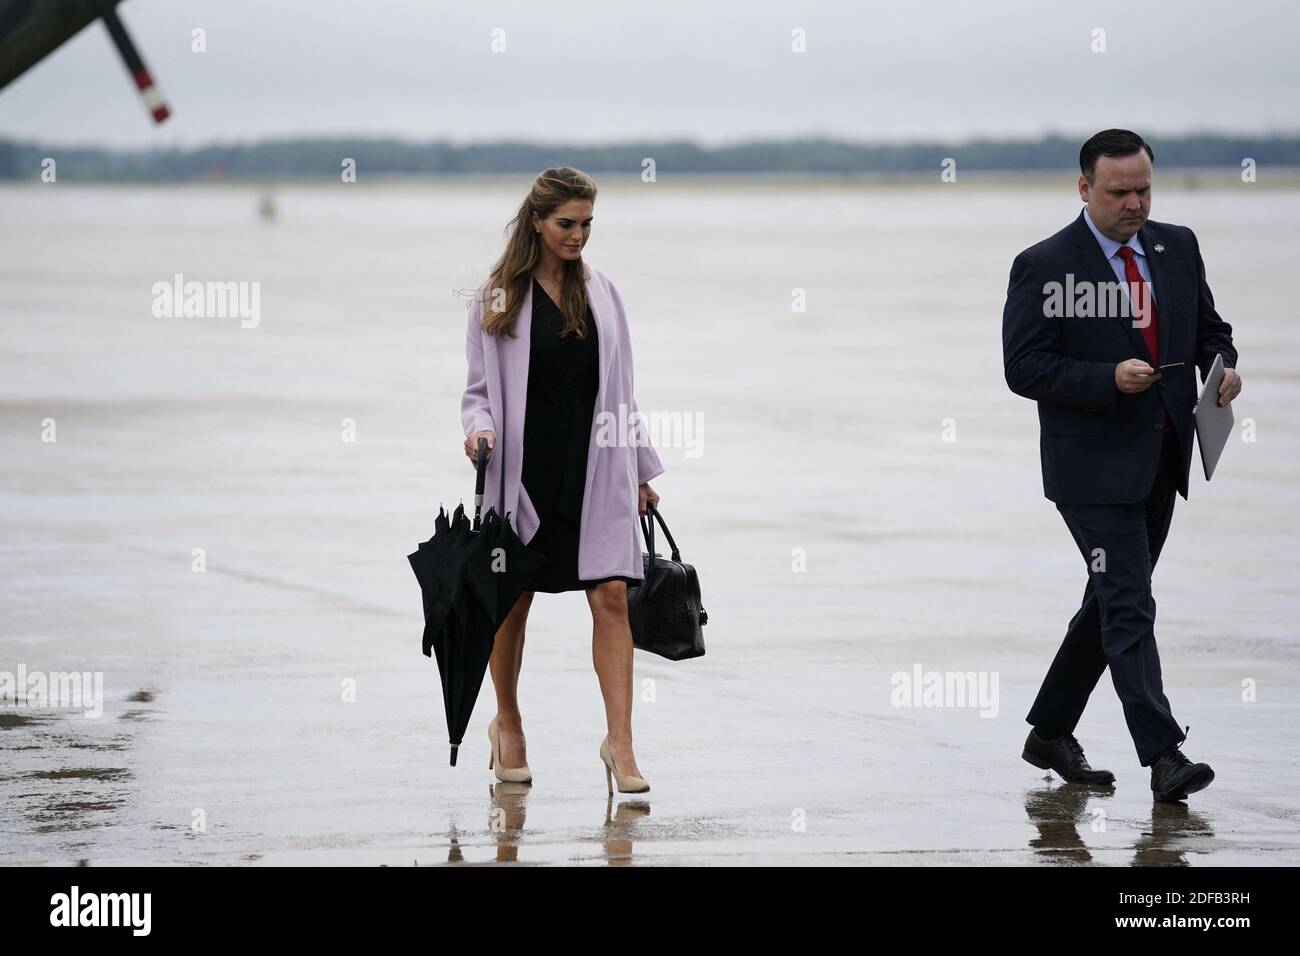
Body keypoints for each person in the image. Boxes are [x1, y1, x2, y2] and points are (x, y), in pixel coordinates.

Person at [1001, 129, 1242, 802]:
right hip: (1089, 469)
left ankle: (1049, 729)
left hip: (1164, 456)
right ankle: (1164, 756)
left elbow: (1208, 330)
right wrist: (1107, 376)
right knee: (1131, 602)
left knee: (1110, 603)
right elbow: (1023, 368)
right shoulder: (1044, 264)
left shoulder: (1178, 244)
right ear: (1084, 189)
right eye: (1119, 192)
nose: (1134, 203)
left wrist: (1222, 369)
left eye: (1143, 189)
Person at [460, 167, 665, 794]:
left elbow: (624, 390)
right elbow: (476, 391)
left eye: (586, 225)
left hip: (596, 465)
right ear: (537, 223)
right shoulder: (499, 296)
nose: (578, 236)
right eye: (566, 225)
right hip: (522, 471)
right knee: (512, 603)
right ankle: (509, 726)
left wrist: (641, 469)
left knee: (610, 597)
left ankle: (621, 745)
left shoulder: (603, 293)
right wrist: (477, 430)